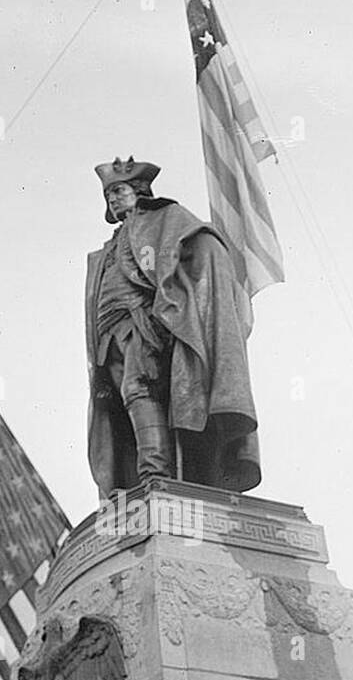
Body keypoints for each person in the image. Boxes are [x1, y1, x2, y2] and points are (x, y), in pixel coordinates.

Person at [85, 156, 261, 497]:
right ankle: (146, 479)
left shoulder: (166, 219)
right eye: (109, 196)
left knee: (140, 390)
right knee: (125, 401)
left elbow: (205, 245)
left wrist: (170, 309)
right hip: (110, 337)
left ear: (139, 190)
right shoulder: (108, 247)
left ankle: (155, 476)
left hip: (143, 327)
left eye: (119, 191)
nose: (114, 199)